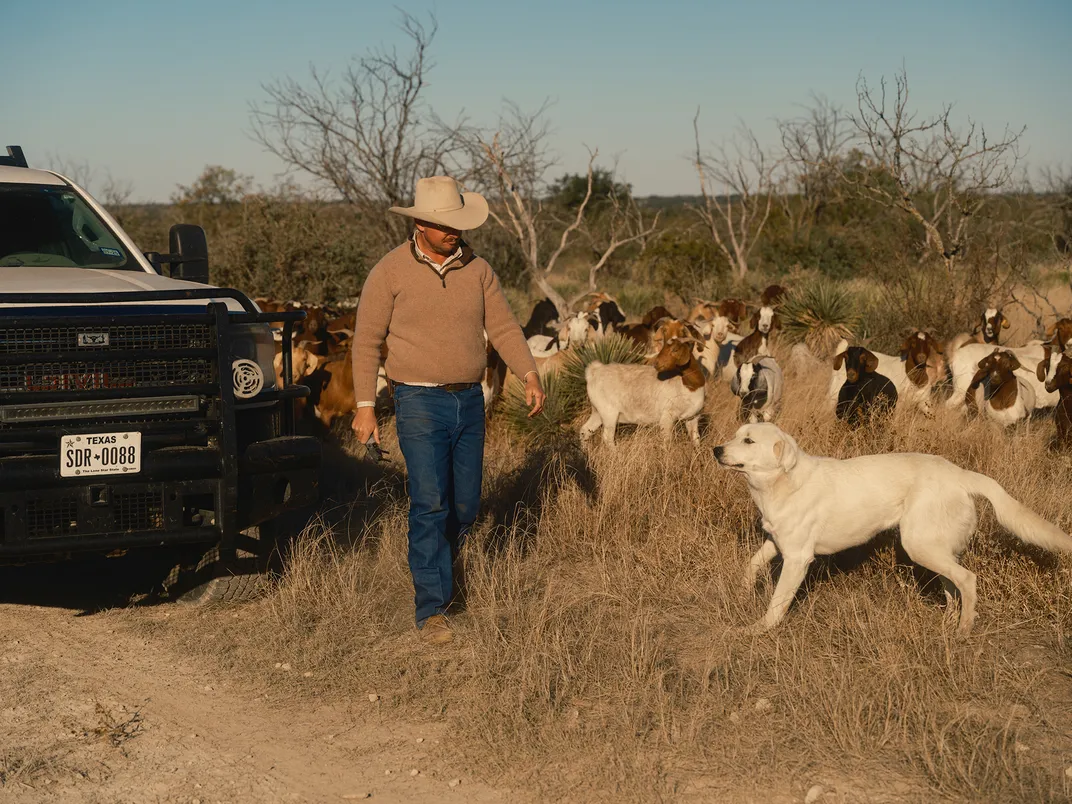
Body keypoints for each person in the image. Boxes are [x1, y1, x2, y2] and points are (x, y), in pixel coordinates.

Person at [351, 176, 546, 645]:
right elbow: (365, 341)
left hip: (469, 399)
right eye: (443, 225)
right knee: (430, 501)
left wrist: (530, 373)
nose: (453, 232)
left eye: (456, 224)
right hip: (417, 400)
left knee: (466, 503)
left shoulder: (478, 269)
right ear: (420, 223)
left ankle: (439, 563)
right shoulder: (390, 271)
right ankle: (433, 608)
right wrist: (364, 407)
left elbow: (502, 326)